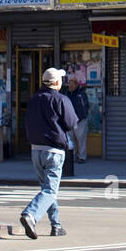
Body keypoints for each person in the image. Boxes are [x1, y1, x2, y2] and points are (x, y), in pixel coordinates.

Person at [19, 68, 78, 240]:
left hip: (36, 150)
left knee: (47, 189)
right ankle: (30, 215)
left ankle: (56, 225)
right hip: (53, 150)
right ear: (57, 82)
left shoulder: (34, 99)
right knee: (50, 191)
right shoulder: (61, 99)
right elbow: (71, 123)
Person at [67, 75, 89, 162]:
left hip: (80, 120)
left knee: (81, 140)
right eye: (70, 84)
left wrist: (82, 117)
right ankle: (72, 156)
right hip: (69, 121)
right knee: (70, 140)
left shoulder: (81, 94)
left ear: (76, 85)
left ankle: (82, 157)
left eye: (72, 84)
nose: (70, 86)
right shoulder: (67, 94)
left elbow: (85, 106)